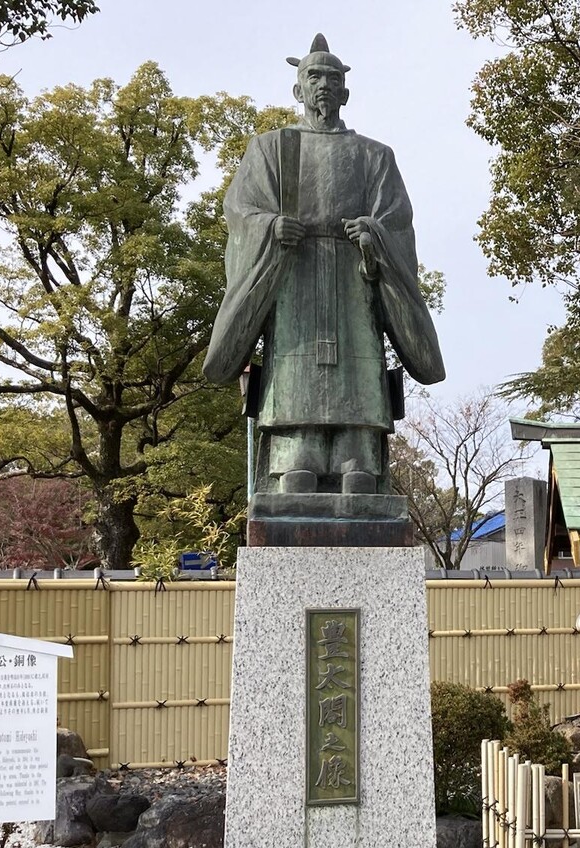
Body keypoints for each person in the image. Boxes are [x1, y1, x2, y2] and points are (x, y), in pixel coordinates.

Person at [203, 33, 444, 499]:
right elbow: (241, 211)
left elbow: (397, 222)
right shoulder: (271, 149)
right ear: (297, 89)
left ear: (346, 92)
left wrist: (373, 236)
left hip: (356, 280)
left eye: (333, 78)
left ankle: (359, 456)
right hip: (291, 276)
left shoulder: (375, 156)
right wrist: (270, 227)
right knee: (294, 370)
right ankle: (297, 456)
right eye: (314, 77)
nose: (324, 85)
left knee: (359, 364)